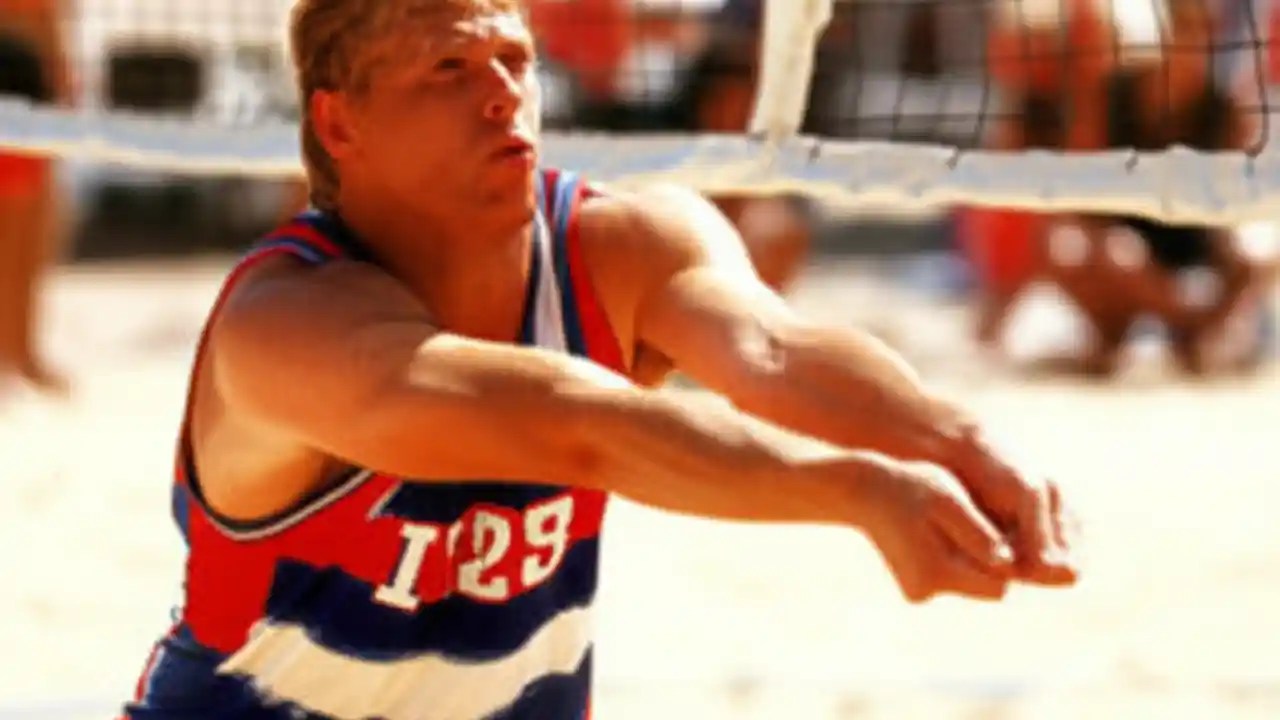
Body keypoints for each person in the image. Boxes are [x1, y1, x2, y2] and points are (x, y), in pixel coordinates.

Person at [120, 1, 1077, 718]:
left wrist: (960, 438)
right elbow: (585, 431)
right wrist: (863, 492)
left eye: (515, 58)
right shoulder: (287, 324)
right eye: (448, 67)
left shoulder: (623, 239)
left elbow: (775, 350)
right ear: (339, 126)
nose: (502, 91)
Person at [1025, 0, 1273, 376]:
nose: (1194, 41)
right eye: (1183, 27)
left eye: (1202, 29)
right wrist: (1097, 236)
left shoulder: (1224, 109)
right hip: (1121, 237)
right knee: (1073, 246)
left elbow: (1235, 204)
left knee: (1262, 248)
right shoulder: (1114, 93)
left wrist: (1229, 240)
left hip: (1194, 239)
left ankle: (1189, 334)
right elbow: (1078, 187)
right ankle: (1156, 332)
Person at [0, 0, 69, 394]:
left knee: (31, 221)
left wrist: (59, 69)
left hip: (27, 66)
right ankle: (18, 354)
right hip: (19, 57)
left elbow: (51, 16)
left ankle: (21, 352)